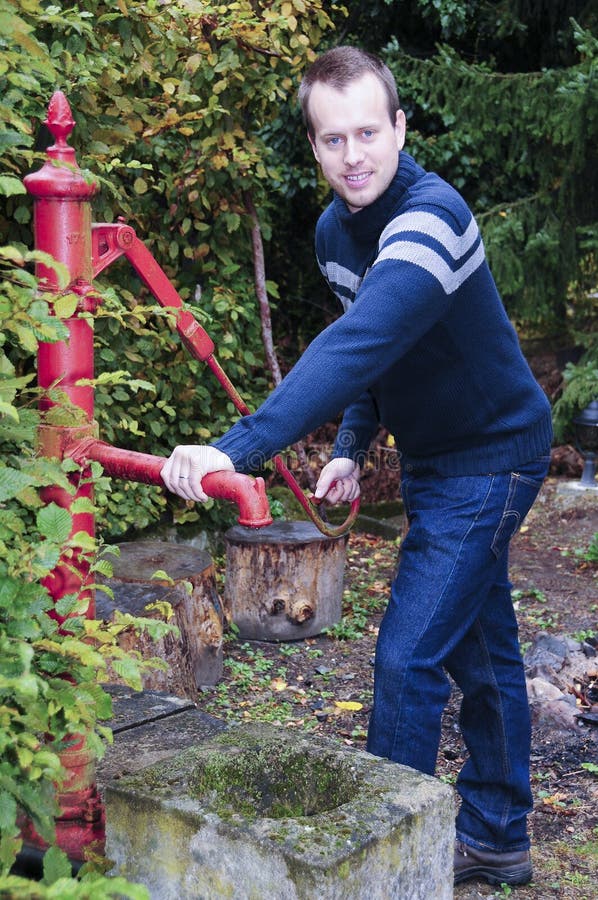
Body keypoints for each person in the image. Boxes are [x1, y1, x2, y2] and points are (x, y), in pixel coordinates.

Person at [161, 46, 552, 886]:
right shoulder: (335, 232)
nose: (355, 155)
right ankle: (497, 833)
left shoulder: (431, 217)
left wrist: (233, 451)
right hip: (439, 463)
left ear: (400, 126)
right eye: (333, 139)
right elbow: (381, 356)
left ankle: (378, 863)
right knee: (484, 657)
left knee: (408, 658)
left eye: (369, 132)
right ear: (314, 146)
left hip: (494, 459)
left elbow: (357, 341)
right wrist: (348, 448)